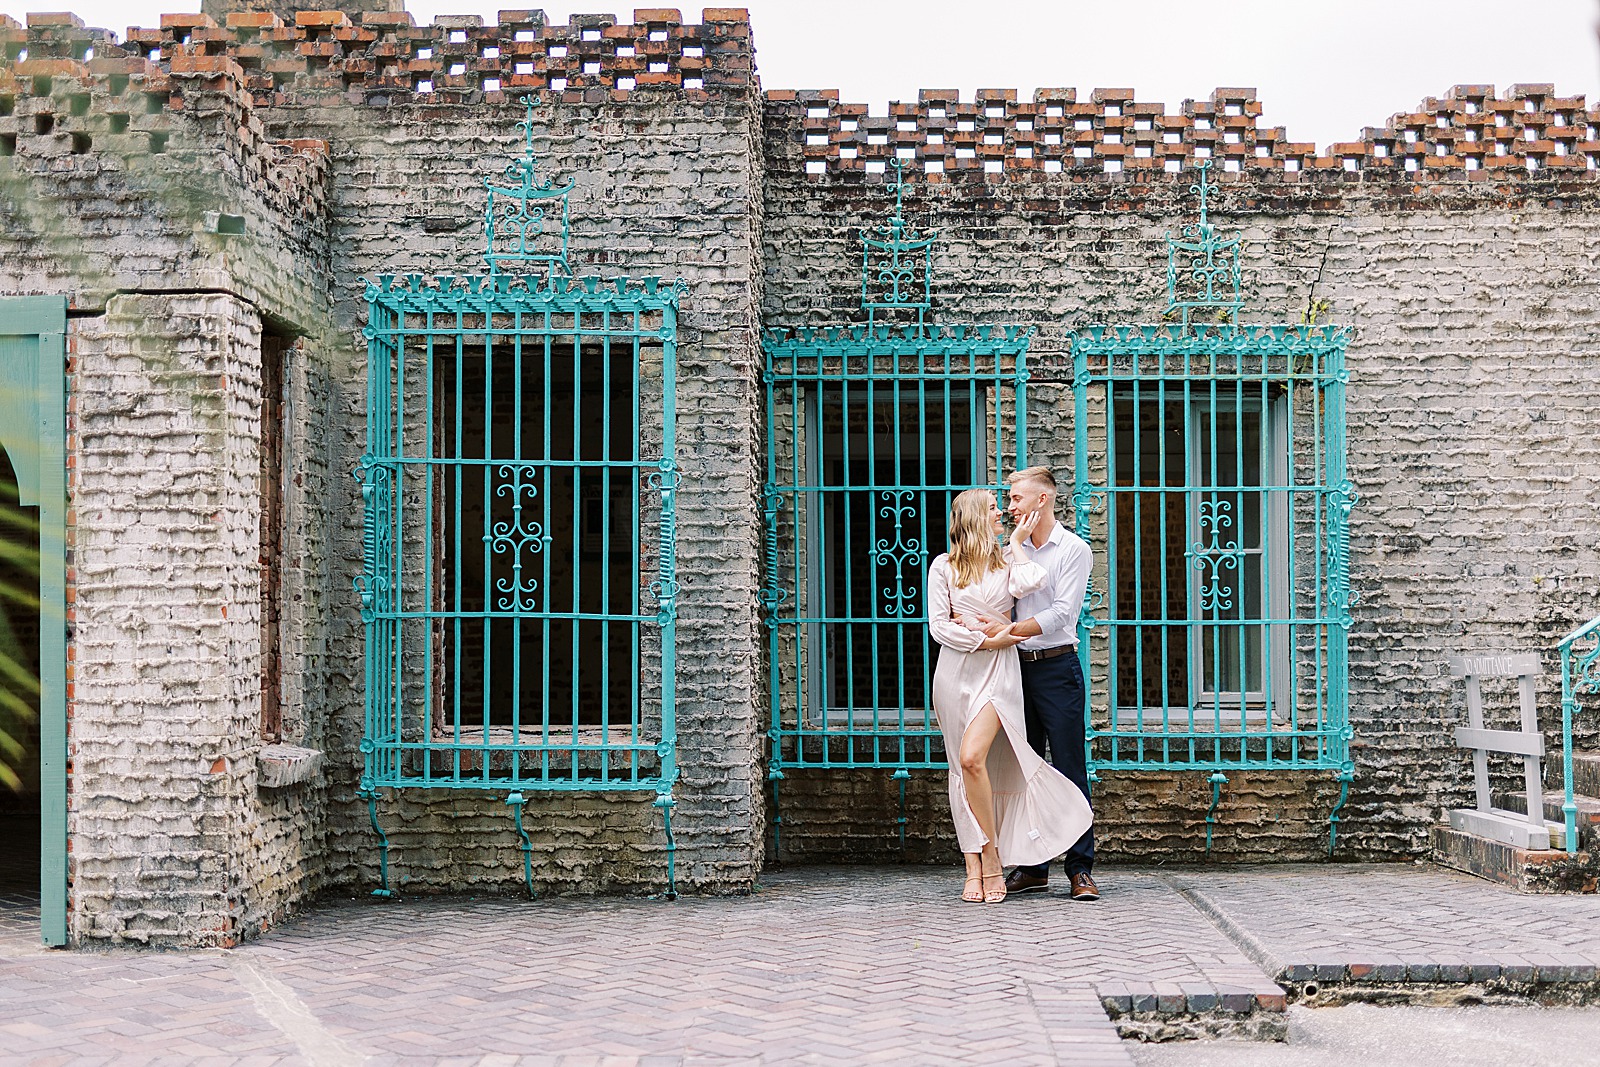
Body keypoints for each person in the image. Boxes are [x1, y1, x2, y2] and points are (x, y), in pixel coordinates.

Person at [926, 488, 1094, 904]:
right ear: (973, 518)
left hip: (1000, 672)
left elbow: (1034, 581)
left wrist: (1017, 545)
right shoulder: (943, 567)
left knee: (972, 757)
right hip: (955, 673)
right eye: (992, 508)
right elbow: (938, 626)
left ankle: (997, 859)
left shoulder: (1005, 561)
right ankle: (975, 863)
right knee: (962, 767)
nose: (1001, 511)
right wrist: (980, 638)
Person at [996, 466, 1099, 902]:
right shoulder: (1010, 550)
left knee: (1070, 768)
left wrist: (1010, 631)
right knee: (1025, 768)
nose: (1009, 506)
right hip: (1015, 670)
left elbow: (1061, 614)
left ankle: (1080, 869)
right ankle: (1033, 867)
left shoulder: (1074, 550)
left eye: (1017, 498)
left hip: (1058, 669)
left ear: (1041, 500)